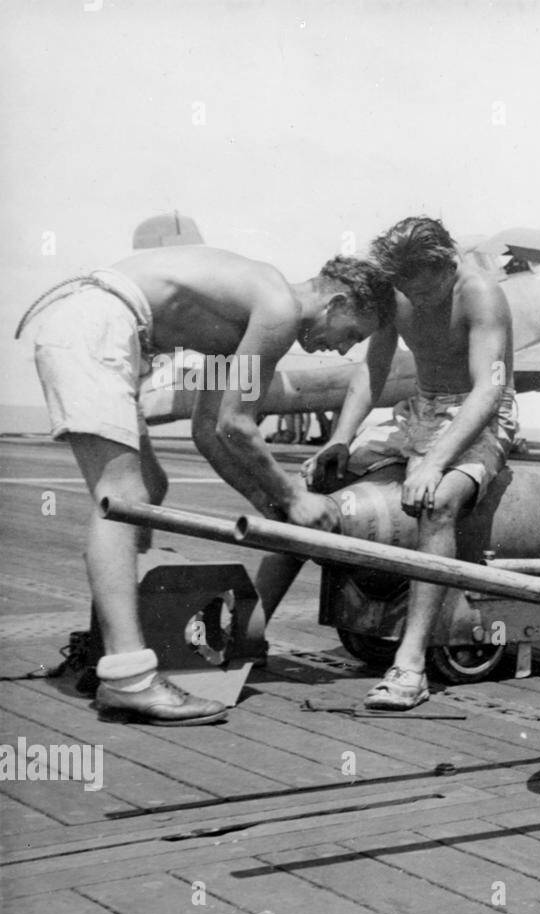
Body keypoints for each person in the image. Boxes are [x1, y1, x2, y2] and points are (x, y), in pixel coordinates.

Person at [17, 247, 395, 725]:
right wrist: (295, 497)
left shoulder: (239, 325)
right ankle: (129, 679)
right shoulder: (277, 307)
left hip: (96, 323)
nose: (340, 350)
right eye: (351, 336)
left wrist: (268, 503)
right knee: (123, 501)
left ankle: (105, 650)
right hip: (97, 323)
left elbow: (210, 430)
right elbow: (239, 423)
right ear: (338, 303)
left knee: (148, 487)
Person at [302, 216, 519, 709]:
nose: (415, 303)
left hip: (480, 414)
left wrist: (434, 462)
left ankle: (411, 665)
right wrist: (339, 438)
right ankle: (250, 637)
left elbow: (490, 388)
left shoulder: (481, 293)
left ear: (448, 265)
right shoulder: (398, 290)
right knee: (316, 480)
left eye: (425, 293)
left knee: (437, 503)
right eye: (407, 292)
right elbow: (374, 369)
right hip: (419, 408)